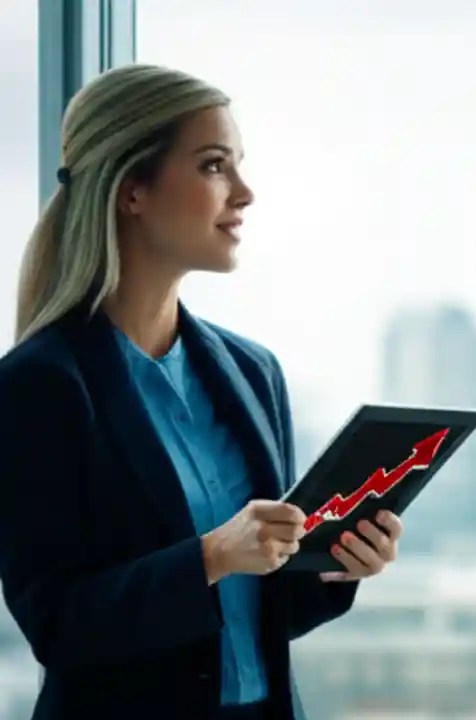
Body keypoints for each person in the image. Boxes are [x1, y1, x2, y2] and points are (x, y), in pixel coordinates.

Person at [0, 64, 402, 719]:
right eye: (214, 165)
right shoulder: (37, 386)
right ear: (132, 190)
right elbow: (58, 624)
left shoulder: (252, 371)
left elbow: (261, 618)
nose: (244, 193)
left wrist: (338, 565)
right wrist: (211, 556)